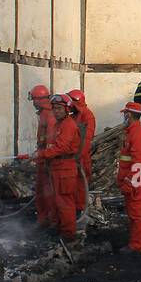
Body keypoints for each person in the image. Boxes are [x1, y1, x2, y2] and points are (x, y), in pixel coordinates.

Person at [21, 94, 82, 242]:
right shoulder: (58, 124)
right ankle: (59, 228)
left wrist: (39, 155)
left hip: (65, 168)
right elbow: (51, 146)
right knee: (56, 201)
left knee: (65, 202)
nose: (56, 111)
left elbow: (60, 148)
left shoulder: (68, 125)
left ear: (67, 109)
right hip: (56, 167)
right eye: (54, 108)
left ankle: (68, 235)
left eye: (59, 108)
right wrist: (38, 154)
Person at [116, 101, 141, 253]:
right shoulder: (132, 132)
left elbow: (138, 163)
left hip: (136, 184)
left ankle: (136, 246)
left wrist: (130, 183)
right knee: (133, 213)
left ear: (129, 115)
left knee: (137, 215)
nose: (123, 116)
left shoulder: (136, 135)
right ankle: (135, 242)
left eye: (124, 114)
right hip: (132, 182)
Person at [28, 84, 56, 229]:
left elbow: (50, 141)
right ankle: (43, 218)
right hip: (43, 158)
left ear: (39, 100)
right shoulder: (45, 114)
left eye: (33, 99)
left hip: (46, 160)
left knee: (47, 191)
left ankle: (50, 220)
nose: (33, 102)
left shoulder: (49, 115)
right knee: (41, 190)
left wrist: (43, 156)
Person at [66, 90, 96, 213]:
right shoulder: (75, 115)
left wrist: (77, 157)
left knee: (80, 185)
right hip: (74, 156)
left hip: (81, 157)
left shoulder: (87, 116)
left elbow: (86, 140)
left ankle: (80, 211)